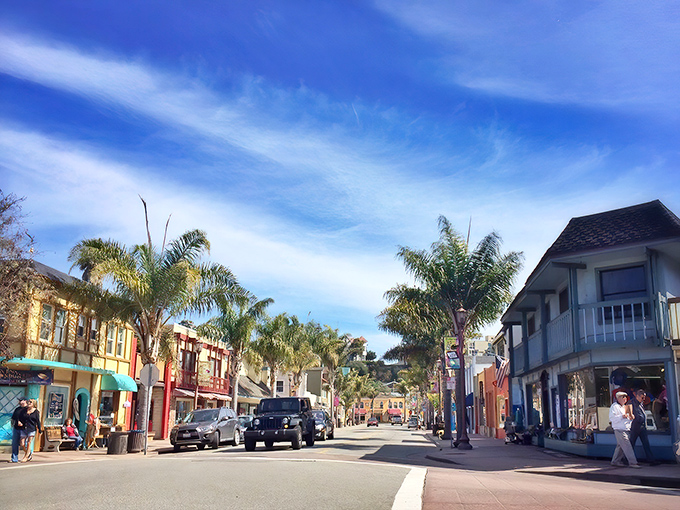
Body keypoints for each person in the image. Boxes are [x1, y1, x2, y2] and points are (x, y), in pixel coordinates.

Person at [609, 391, 640, 468]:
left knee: (620, 447)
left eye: (625, 397)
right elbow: (612, 418)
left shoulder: (624, 407)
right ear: (618, 398)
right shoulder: (614, 406)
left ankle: (615, 461)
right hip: (619, 429)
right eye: (623, 397)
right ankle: (633, 462)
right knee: (627, 445)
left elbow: (627, 419)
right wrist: (621, 416)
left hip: (625, 429)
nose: (625, 399)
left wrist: (631, 418)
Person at [629, 389, 657, 465]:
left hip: (642, 426)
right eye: (642, 397)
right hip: (635, 426)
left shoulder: (640, 403)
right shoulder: (632, 403)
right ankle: (627, 459)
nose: (643, 399)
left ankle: (651, 460)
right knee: (631, 443)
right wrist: (639, 419)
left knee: (646, 443)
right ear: (637, 396)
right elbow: (634, 414)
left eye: (644, 397)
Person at [18, 398, 42, 463]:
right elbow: (20, 418)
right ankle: (28, 454)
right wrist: (19, 422)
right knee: (22, 443)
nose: (29, 403)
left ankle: (26, 457)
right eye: (28, 402)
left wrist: (40, 430)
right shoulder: (24, 410)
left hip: (31, 429)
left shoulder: (36, 412)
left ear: (33, 404)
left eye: (30, 402)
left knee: (29, 443)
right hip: (24, 428)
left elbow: (38, 421)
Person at [10, 396, 27, 463]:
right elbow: (13, 417)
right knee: (15, 443)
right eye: (20, 400)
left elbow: (30, 419)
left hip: (24, 429)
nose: (20, 402)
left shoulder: (27, 409)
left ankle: (27, 455)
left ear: (25, 401)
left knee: (23, 444)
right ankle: (14, 458)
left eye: (22, 400)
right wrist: (14, 423)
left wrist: (23, 423)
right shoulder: (17, 409)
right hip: (16, 428)